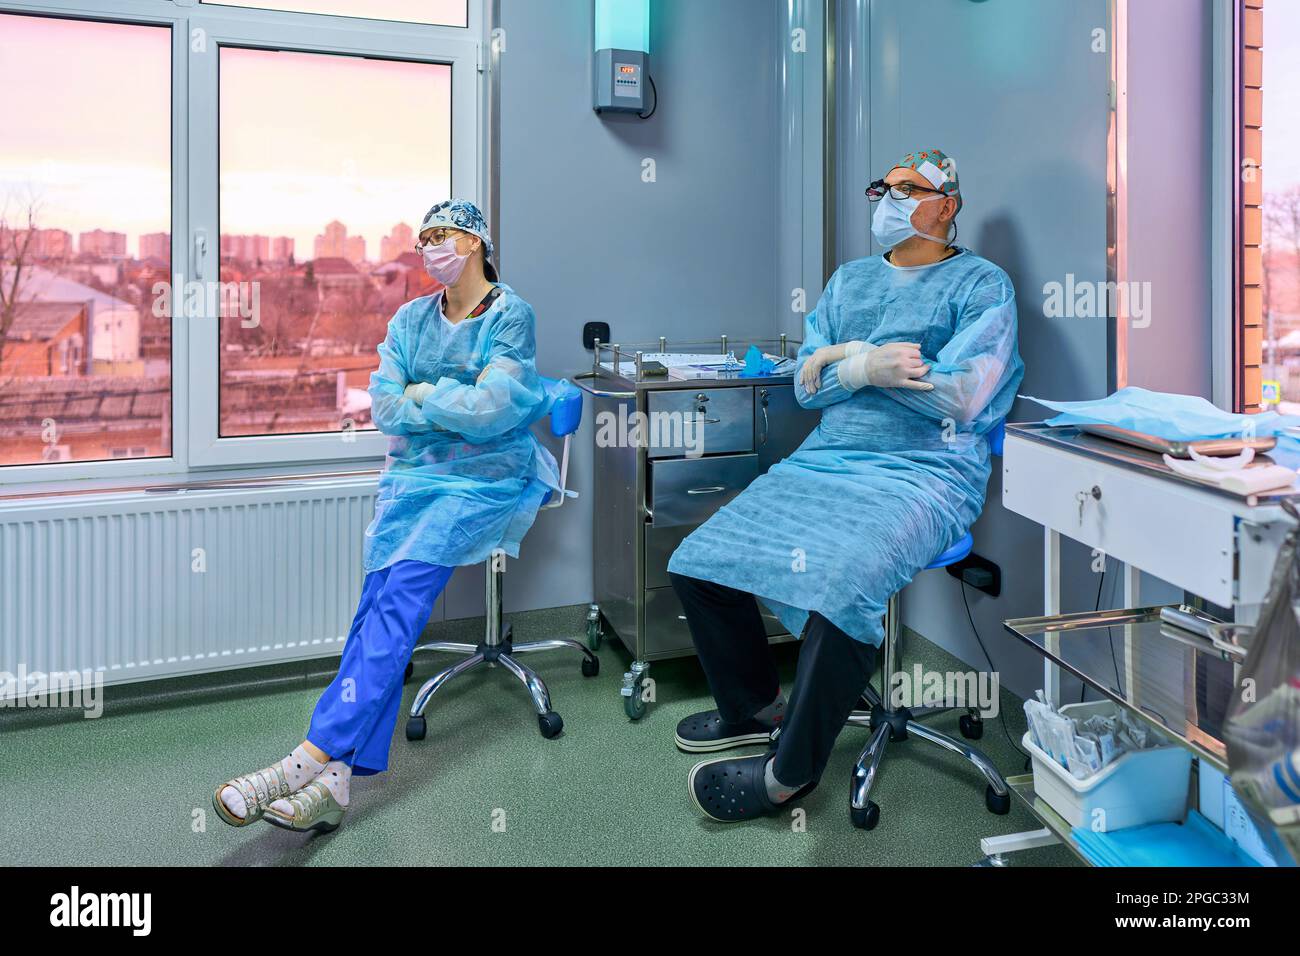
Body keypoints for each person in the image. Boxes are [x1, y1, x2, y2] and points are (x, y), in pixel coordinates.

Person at [666, 149, 1025, 822]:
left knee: (842, 586)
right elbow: (807, 384)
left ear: (946, 205)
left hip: (925, 474)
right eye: (881, 190)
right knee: (697, 564)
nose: (887, 201)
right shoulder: (849, 282)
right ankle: (756, 709)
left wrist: (854, 367)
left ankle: (787, 777)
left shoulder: (981, 287)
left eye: (907, 189)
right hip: (826, 460)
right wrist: (865, 367)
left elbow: (962, 399)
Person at [211, 200, 562, 834]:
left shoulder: (512, 315)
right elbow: (386, 408)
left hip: (484, 480)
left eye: (443, 235)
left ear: (476, 243)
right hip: (414, 476)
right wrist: (440, 404)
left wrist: (425, 394)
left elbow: (496, 408)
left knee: (399, 601)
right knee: (376, 606)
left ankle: (303, 759)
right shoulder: (409, 319)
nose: (431, 247)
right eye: (424, 238)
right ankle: (338, 781)